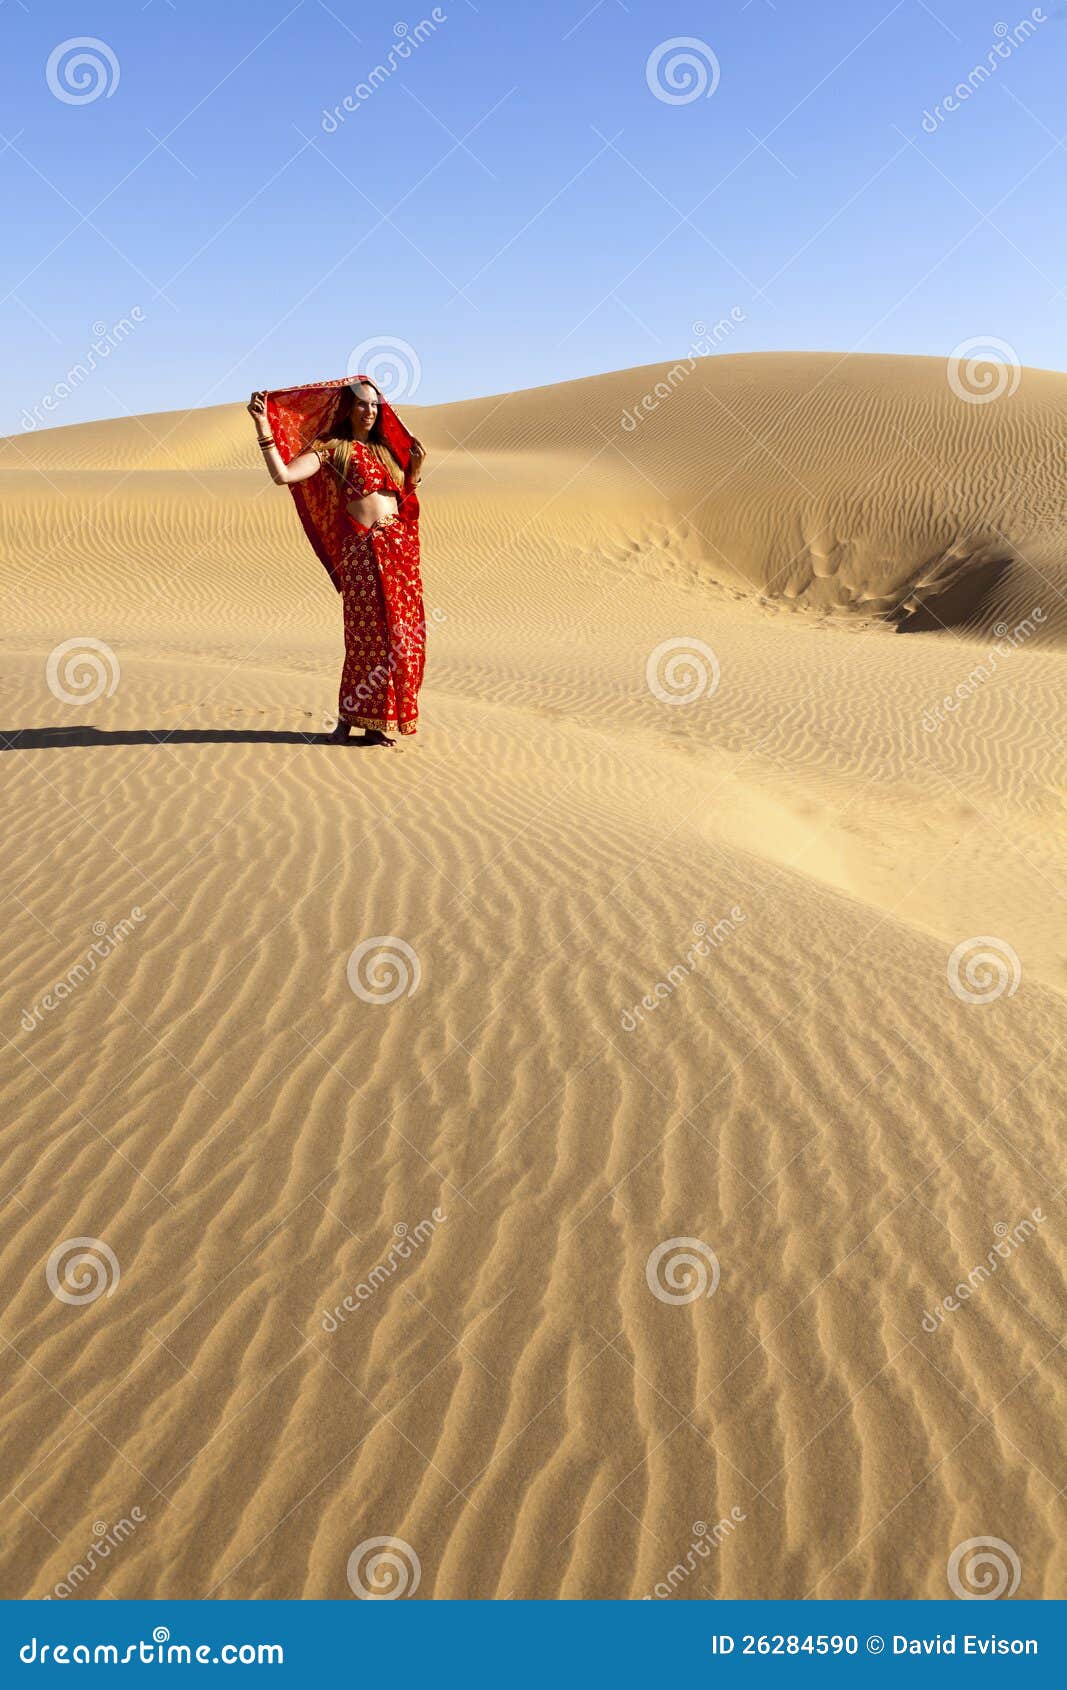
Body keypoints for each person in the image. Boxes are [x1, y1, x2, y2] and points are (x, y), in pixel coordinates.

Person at [248, 376, 427, 745]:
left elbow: (405, 498)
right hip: (362, 553)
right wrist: (263, 426)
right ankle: (348, 720)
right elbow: (283, 475)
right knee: (366, 639)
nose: (369, 411)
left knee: (401, 639)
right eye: (362, 404)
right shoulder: (333, 449)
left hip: (399, 553)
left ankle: (377, 723)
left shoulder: (386, 452)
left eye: (375, 405)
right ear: (349, 407)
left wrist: (416, 468)